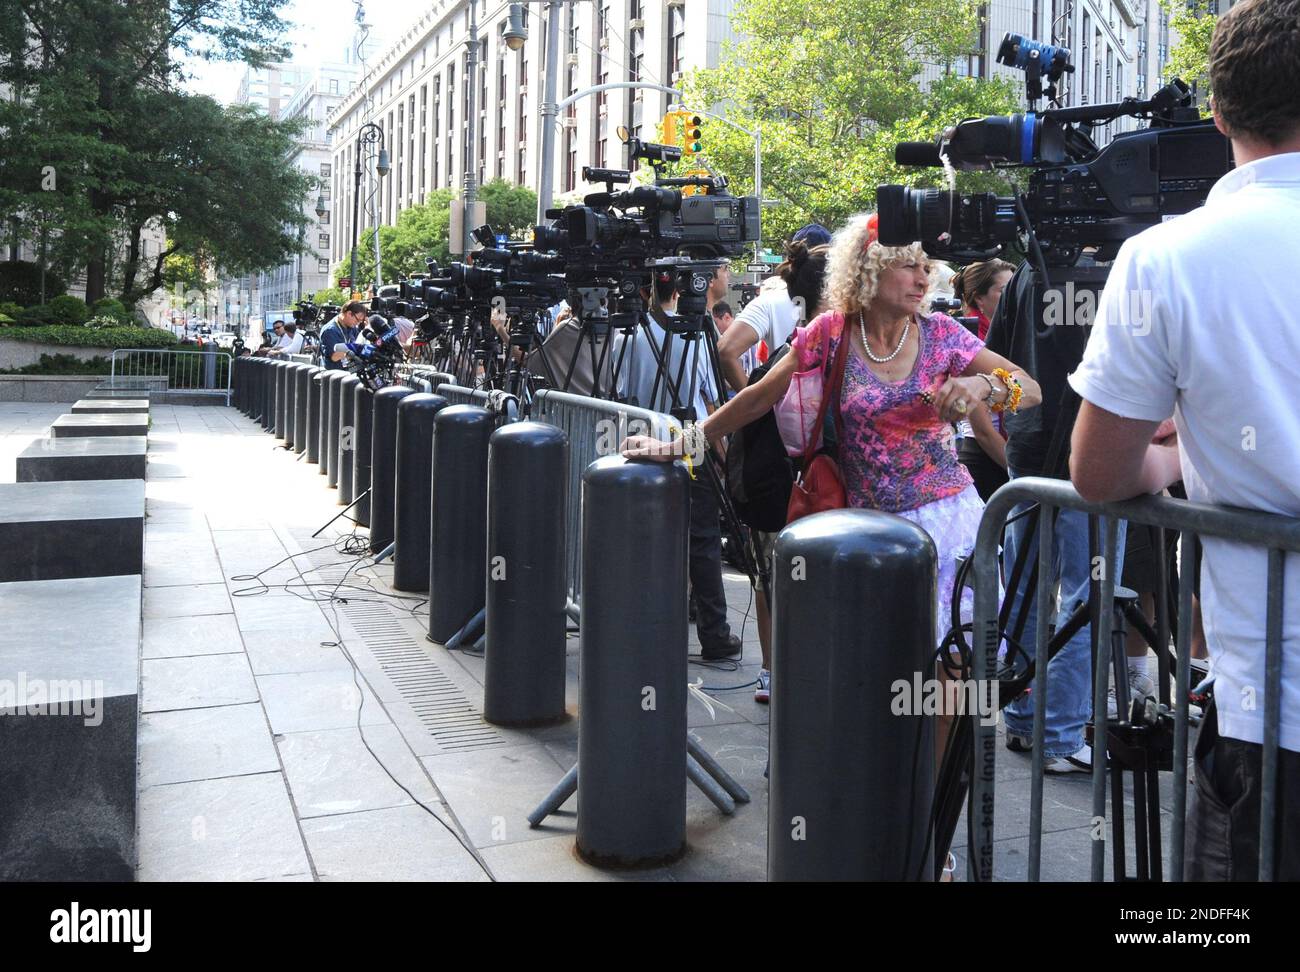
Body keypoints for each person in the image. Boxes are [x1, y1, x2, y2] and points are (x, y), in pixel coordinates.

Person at [623, 212, 1042, 696]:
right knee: (881, 670)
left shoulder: (942, 334)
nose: (923, 278)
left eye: (925, 267)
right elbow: (759, 397)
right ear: (868, 269)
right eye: (907, 266)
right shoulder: (832, 332)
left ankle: (941, 773)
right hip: (866, 533)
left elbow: (1029, 387)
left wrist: (981, 384)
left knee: (950, 670)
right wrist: (681, 446)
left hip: (948, 524)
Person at [1069, 0, 1300, 879]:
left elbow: (1095, 473)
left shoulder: (1168, 258)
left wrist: (1173, 457)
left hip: (1270, 714)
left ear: (1219, 115)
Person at [619, 270, 741, 661]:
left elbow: (619, 392)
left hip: (640, 446)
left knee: (644, 539)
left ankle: (641, 628)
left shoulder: (630, 334)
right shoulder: (695, 335)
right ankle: (714, 633)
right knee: (702, 539)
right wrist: (724, 455)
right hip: (689, 445)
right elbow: (710, 400)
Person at [717, 225, 832, 395]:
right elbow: (725, 352)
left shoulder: (768, 302)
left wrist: (760, 405)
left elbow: (725, 352)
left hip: (785, 415)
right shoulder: (847, 305)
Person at [951, 260, 1014, 501]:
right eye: (1004, 291)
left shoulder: (1013, 333)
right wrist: (1019, 477)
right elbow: (983, 430)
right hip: (986, 459)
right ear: (979, 299)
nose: (1013, 297)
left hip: (1011, 452)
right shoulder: (967, 342)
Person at [318, 301, 369, 370]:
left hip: (349, 369)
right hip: (335, 374)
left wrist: (367, 329)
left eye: (360, 321)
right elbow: (334, 356)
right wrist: (355, 351)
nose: (357, 323)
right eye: (357, 320)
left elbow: (359, 342)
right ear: (349, 313)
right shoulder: (330, 330)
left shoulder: (351, 326)